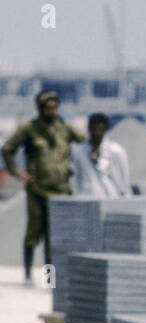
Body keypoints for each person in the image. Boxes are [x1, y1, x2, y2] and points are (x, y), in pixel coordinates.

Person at [2, 90, 83, 283]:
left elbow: (86, 142)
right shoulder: (29, 128)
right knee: (33, 234)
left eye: (55, 107)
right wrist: (19, 173)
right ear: (40, 108)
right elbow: (7, 150)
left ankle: (50, 279)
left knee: (54, 238)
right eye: (48, 107)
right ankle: (28, 274)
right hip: (37, 190)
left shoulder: (65, 128)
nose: (52, 111)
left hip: (61, 191)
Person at [71, 113, 131, 198]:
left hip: (110, 198)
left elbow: (124, 179)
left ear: (106, 130)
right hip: (86, 198)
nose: (97, 133)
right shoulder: (79, 151)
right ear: (89, 129)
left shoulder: (116, 151)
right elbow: (75, 178)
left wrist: (126, 197)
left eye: (100, 129)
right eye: (94, 129)